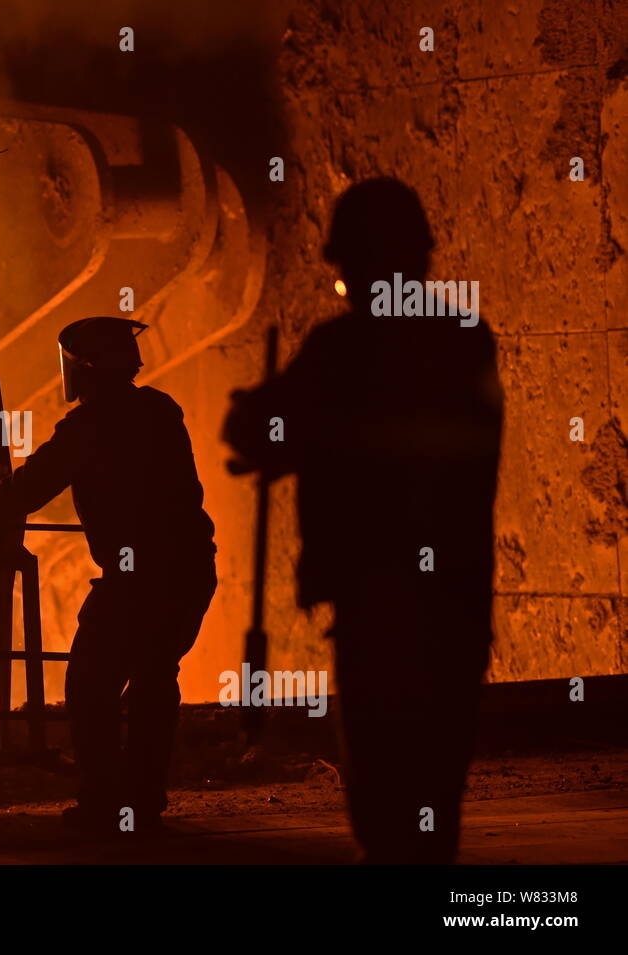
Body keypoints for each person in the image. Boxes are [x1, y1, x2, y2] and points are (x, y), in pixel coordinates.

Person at [222, 179, 503, 863]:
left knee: (382, 796)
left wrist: (279, 425)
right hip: (455, 600)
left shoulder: (341, 350)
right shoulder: (468, 341)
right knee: (435, 790)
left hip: (376, 601)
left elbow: (254, 426)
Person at [0, 316, 217, 833]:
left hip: (140, 578)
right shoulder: (161, 411)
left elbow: (34, 482)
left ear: (84, 370)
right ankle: (141, 804)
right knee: (153, 677)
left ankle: (105, 803)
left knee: (89, 683)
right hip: (189, 568)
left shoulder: (90, 427)